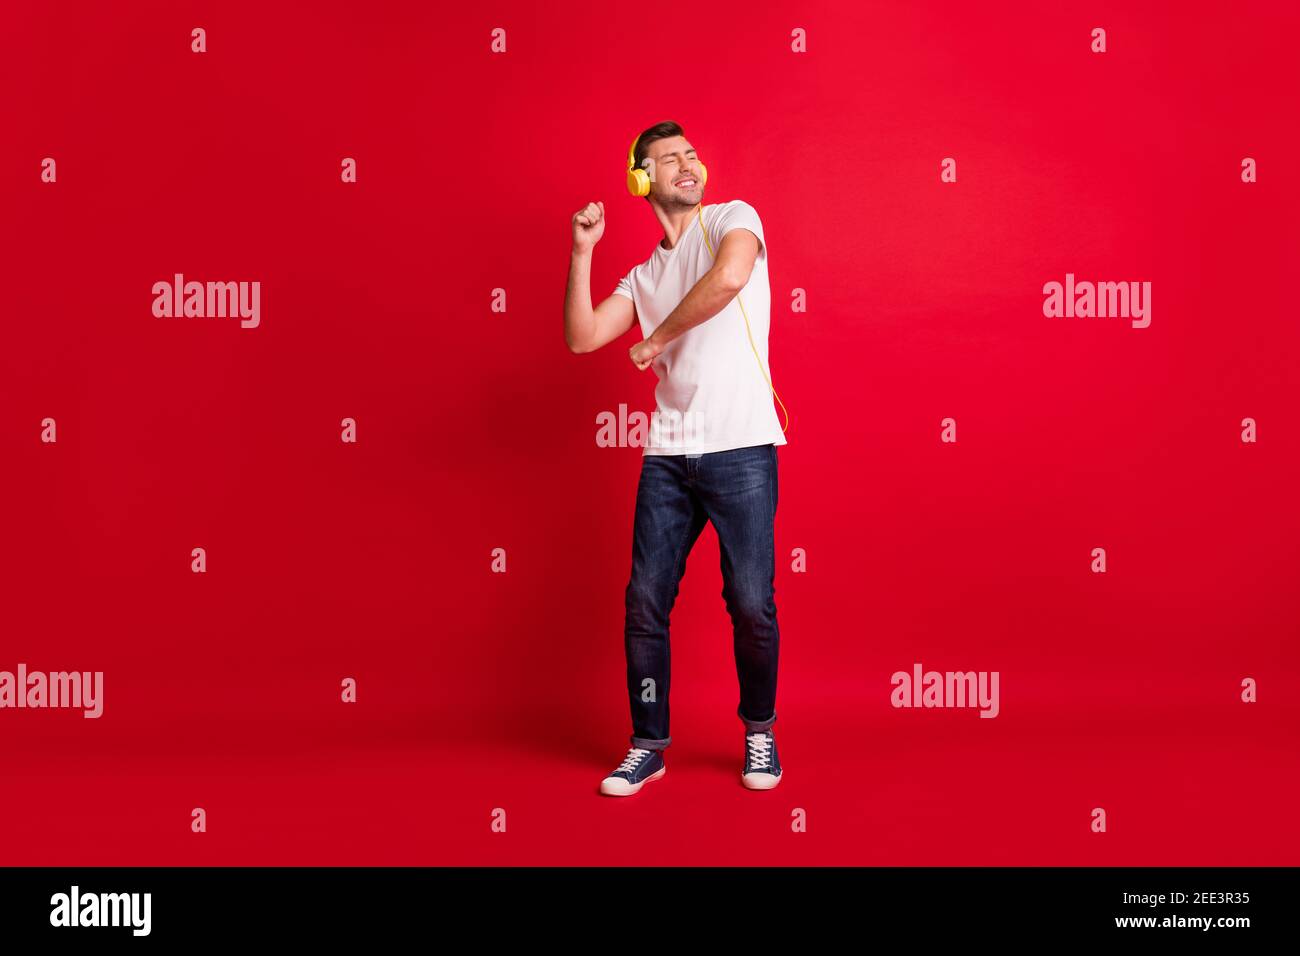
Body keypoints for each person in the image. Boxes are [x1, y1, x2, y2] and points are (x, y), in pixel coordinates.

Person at [564, 121, 787, 795]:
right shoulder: (642, 273)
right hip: (667, 454)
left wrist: (656, 339)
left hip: (742, 444)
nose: (687, 165)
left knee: (750, 601)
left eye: (690, 154)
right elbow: (582, 337)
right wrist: (582, 254)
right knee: (645, 602)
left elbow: (732, 276)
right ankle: (648, 744)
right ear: (642, 181)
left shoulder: (731, 219)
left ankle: (759, 734)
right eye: (668, 160)